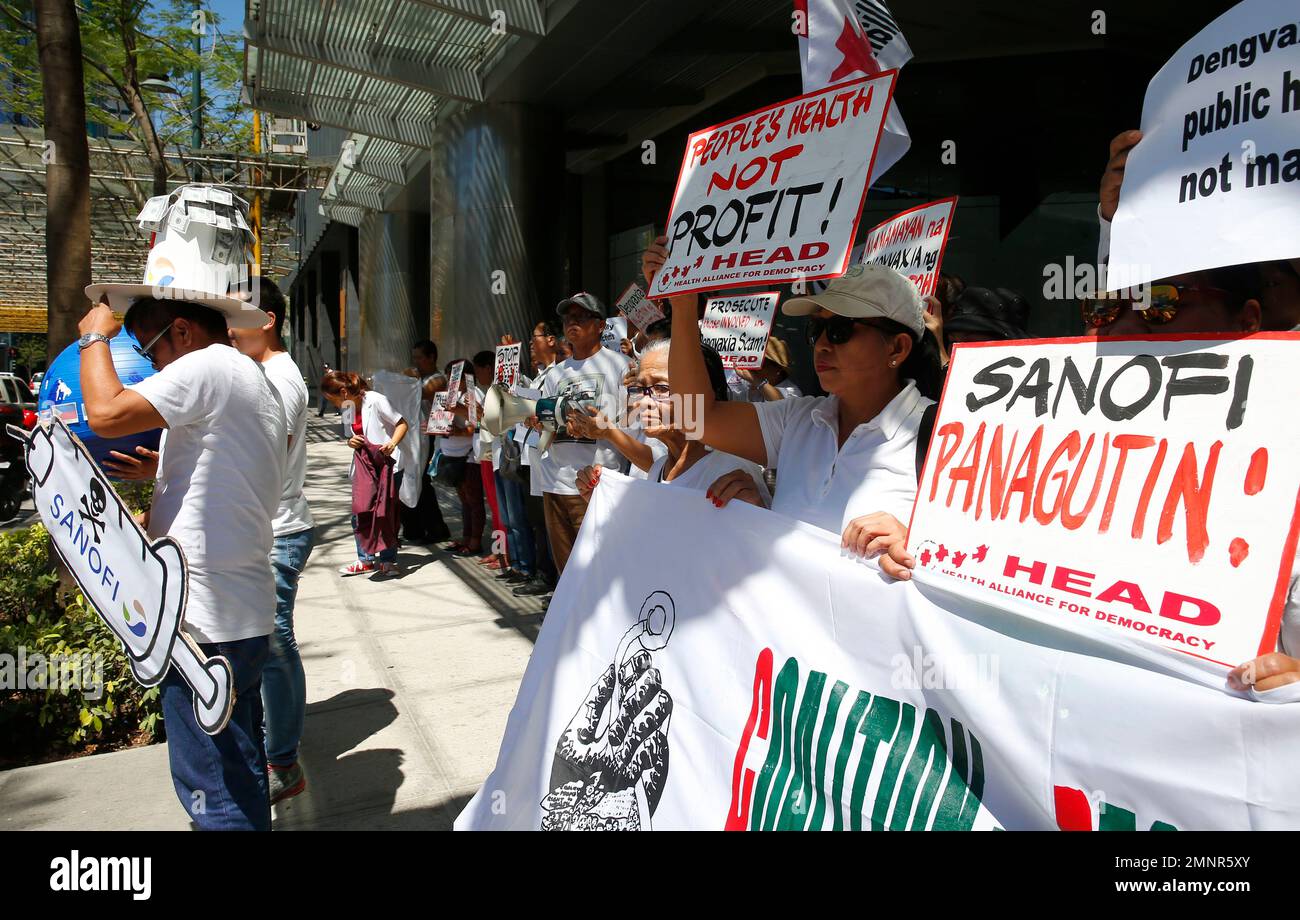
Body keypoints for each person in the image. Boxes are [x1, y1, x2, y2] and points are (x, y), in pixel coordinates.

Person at [80, 294, 286, 831]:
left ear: (183, 332)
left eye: (150, 353)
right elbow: (234, 471)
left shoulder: (206, 366)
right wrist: (164, 472)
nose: (152, 368)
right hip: (237, 610)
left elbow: (103, 413)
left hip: (200, 619)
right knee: (238, 769)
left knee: (212, 787)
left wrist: (95, 337)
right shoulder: (249, 376)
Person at [645, 236, 942, 579]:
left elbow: (989, 558)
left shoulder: (942, 433)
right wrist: (683, 306)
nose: (823, 345)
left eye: (841, 330)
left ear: (898, 348)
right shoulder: (798, 419)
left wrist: (922, 542)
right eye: (817, 330)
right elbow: (695, 417)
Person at [224, 279, 316, 805]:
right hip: (267, 525)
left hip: (279, 528)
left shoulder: (278, 378)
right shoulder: (259, 371)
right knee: (267, 644)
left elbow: (267, 452)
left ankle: (283, 761)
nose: (229, 328)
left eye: (238, 316)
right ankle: (273, 749)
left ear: (268, 321)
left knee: (276, 646)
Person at [576, 338, 769, 503]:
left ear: (706, 395)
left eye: (661, 388)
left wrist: (755, 512)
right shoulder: (659, 469)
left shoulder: (732, 476)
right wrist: (600, 502)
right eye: (640, 389)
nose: (643, 402)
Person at [532, 293, 630, 577]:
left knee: (598, 572)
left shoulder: (620, 366)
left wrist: (594, 427)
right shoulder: (554, 374)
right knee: (567, 574)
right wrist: (538, 423)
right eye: (567, 318)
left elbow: (630, 424)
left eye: (581, 316)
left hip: (595, 484)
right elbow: (547, 429)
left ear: (600, 326)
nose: (572, 322)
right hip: (555, 482)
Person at [322, 371, 409, 577]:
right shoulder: (347, 406)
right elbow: (349, 436)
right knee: (360, 511)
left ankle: (388, 560)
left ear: (343, 392)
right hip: (364, 467)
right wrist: (350, 442)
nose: (333, 403)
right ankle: (365, 559)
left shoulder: (376, 400)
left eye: (332, 398)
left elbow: (402, 423)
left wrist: (392, 443)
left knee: (385, 512)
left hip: (387, 464)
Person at [513, 322, 561, 598]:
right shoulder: (541, 375)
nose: (531, 344)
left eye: (535, 338)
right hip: (533, 453)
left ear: (552, 340)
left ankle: (550, 577)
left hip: (548, 456)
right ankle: (544, 574)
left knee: (549, 521)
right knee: (538, 519)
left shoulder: (558, 374)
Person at [400, 339, 451, 544]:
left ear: (432, 357)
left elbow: (420, 392)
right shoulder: (418, 377)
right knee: (411, 479)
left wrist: (410, 379)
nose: (417, 362)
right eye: (414, 358)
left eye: (420, 357)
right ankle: (414, 528)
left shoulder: (438, 379)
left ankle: (434, 528)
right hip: (416, 435)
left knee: (422, 482)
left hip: (432, 437)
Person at [440, 358, 486, 557]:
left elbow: (477, 425)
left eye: (455, 375)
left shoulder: (474, 394)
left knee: (474, 501)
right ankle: (467, 538)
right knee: (465, 501)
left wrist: (457, 432)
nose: (451, 379)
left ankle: (475, 542)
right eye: (449, 375)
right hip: (453, 454)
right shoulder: (449, 396)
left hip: (470, 456)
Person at [471, 350, 508, 571]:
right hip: (486, 452)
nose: (476, 375)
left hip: (497, 453)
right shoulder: (488, 392)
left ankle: (505, 552)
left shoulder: (501, 390)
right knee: (494, 506)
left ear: (487, 368)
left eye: (478, 370)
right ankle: (497, 550)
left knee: (500, 507)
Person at [734, 336, 802, 402]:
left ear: (778, 368)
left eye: (760, 364)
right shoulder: (750, 385)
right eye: (753, 362)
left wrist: (756, 381)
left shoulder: (793, 392)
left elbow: (781, 404)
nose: (754, 368)